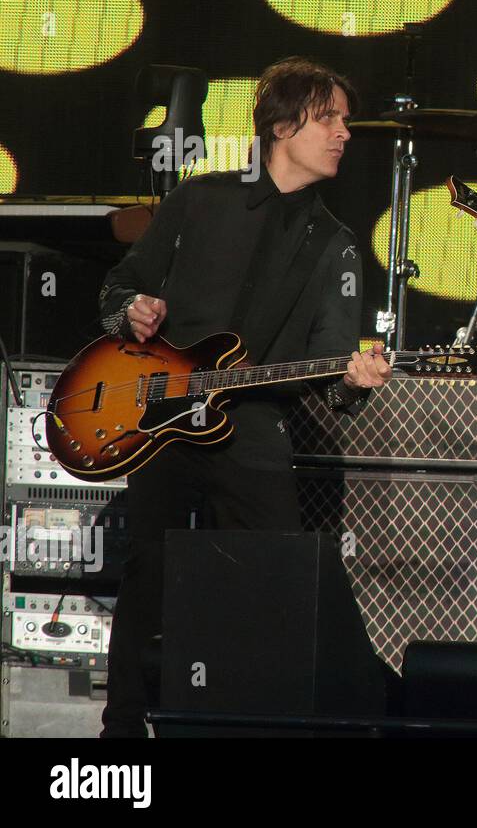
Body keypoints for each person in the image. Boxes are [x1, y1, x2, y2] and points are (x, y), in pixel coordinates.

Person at [97, 57, 392, 737]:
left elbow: (334, 368)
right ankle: (125, 726)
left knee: (268, 576)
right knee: (150, 569)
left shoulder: (336, 246)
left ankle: (249, 725)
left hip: (254, 423)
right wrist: (132, 312)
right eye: (330, 118)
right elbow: (116, 290)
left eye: (344, 119)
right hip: (165, 413)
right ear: (282, 125)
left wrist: (355, 381)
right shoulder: (199, 201)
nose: (345, 132)